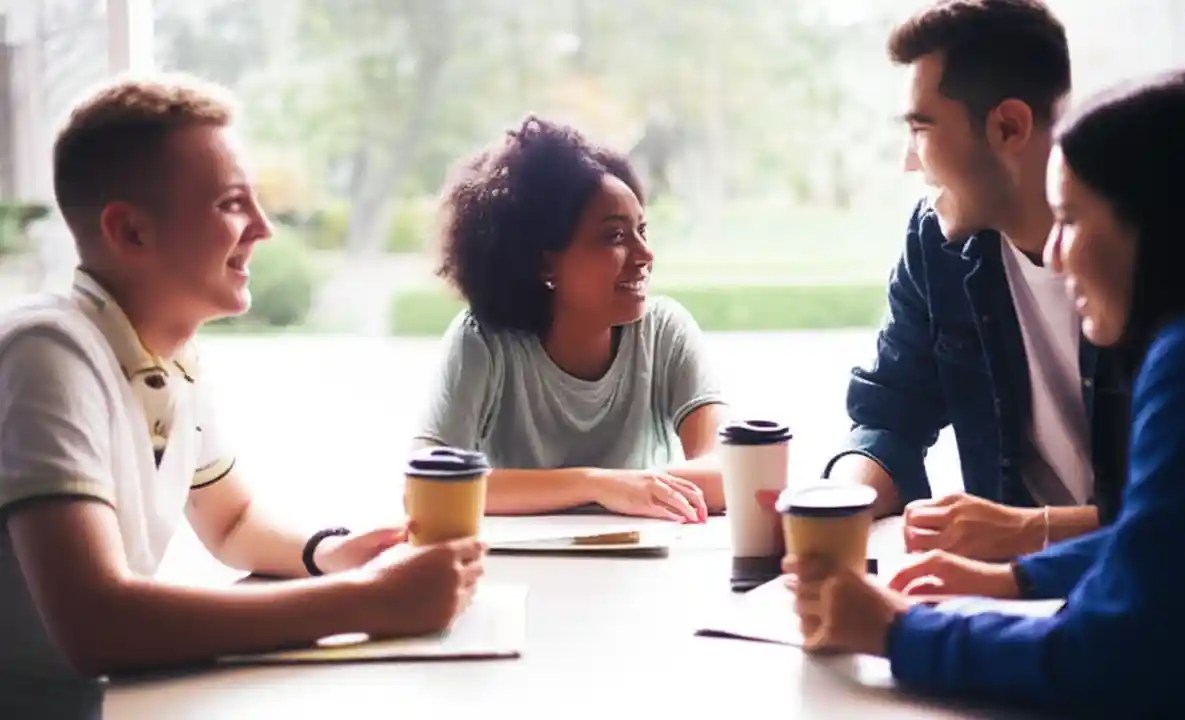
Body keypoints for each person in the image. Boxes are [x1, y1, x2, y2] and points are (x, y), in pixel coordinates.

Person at [787, 68, 1185, 715]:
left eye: (1071, 220)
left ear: (1160, 225)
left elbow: (1112, 656)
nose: (1055, 251)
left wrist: (895, 629)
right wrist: (1017, 578)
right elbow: (1180, 542)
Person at [0, 75, 483, 717]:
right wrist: (369, 602)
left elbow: (231, 522)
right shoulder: (47, 352)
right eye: (232, 204)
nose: (263, 228)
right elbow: (97, 624)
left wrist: (334, 553)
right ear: (131, 232)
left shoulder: (171, 359)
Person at [825, 0, 1132, 561]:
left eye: (921, 128)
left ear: (1008, 127)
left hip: (1140, 595)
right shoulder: (935, 243)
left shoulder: (1147, 252)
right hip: (1016, 592)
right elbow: (889, 419)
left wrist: (1028, 532)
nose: (910, 163)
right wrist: (830, 508)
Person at [412, 116, 726, 524]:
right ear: (544, 260)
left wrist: (620, 488)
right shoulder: (483, 342)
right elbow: (424, 488)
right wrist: (600, 486)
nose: (644, 255)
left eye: (642, 231)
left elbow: (726, 471)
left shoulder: (663, 330)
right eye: (615, 237)